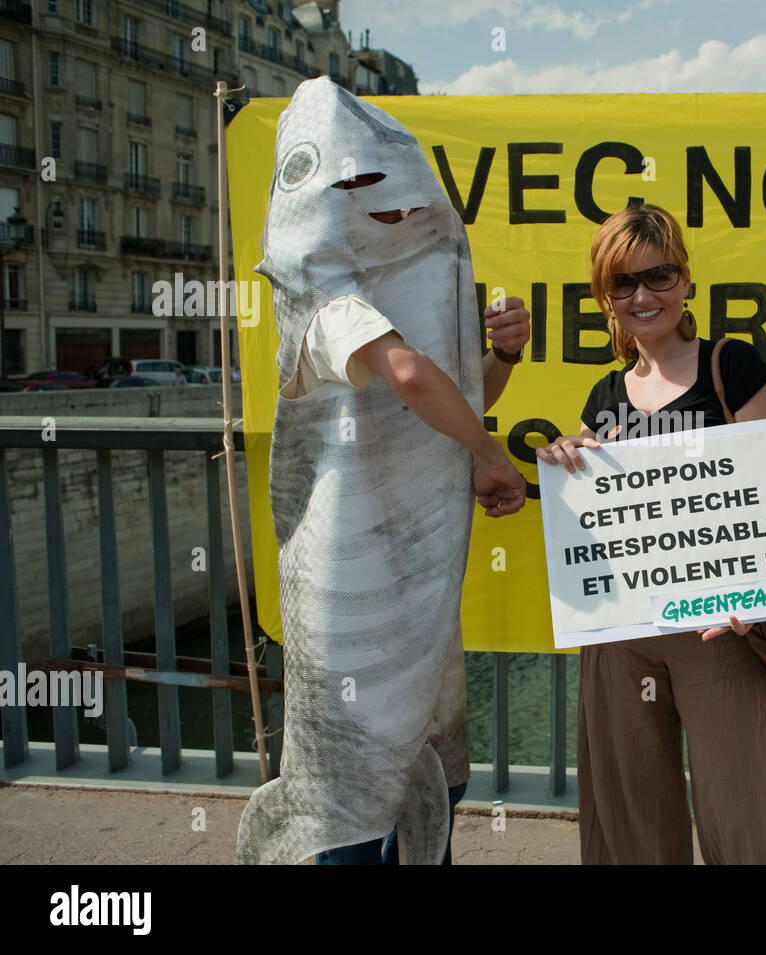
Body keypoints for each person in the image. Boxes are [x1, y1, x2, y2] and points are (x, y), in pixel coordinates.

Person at [236, 77, 527, 866]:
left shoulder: (407, 277)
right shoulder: (322, 297)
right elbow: (409, 376)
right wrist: (492, 456)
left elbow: (448, 404)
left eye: (382, 182)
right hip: (347, 584)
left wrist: (501, 358)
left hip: (421, 583)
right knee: (348, 797)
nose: (380, 202)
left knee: (429, 776)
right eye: (357, 184)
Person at [537, 202, 766, 864]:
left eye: (658, 276)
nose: (643, 296)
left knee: (749, 814)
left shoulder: (734, 367)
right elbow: (600, 520)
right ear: (606, 298)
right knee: (633, 819)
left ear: (686, 279)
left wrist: (762, 599)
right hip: (622, 638)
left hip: (718, 631)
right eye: (623, 283)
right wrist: (568, 462)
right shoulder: (602, 397)